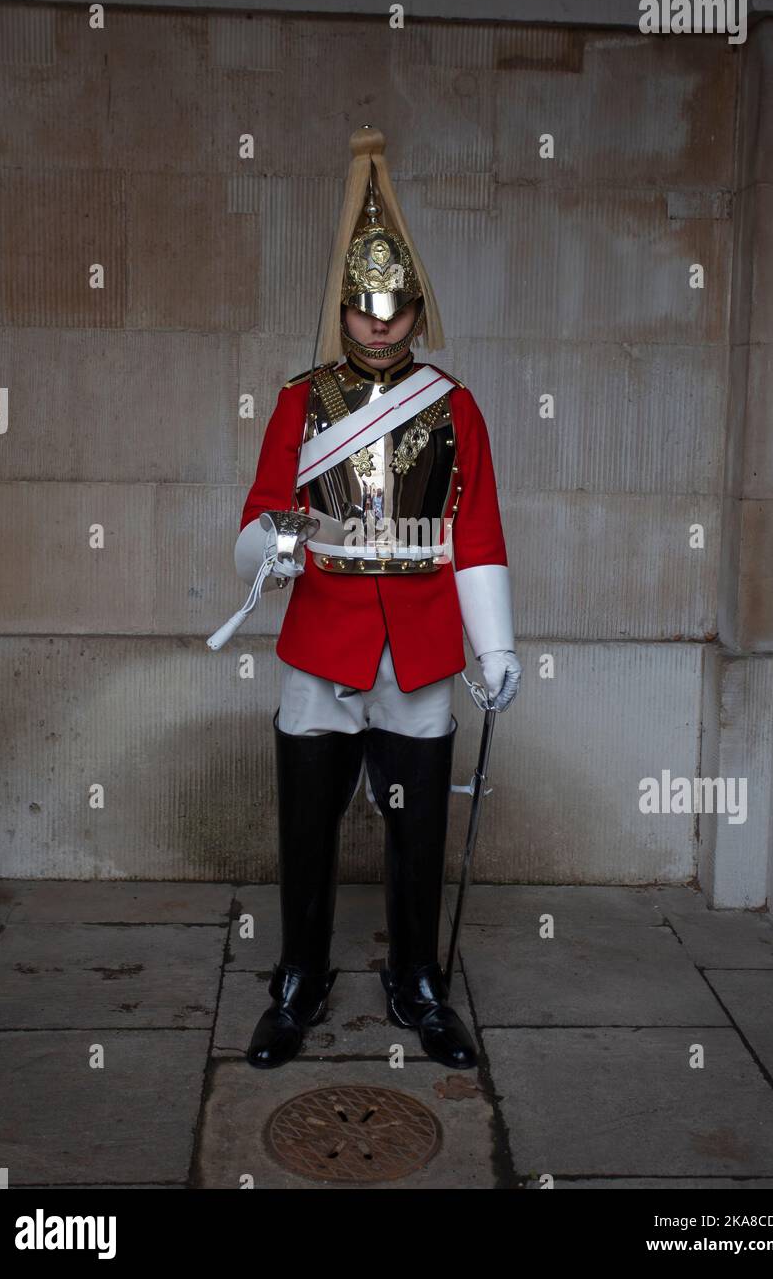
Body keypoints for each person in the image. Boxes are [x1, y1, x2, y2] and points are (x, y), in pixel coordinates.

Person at [235, 126, 522, 1071]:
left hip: (420, 642)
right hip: (324, 638)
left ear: (417, 307)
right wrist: (269, 549)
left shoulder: (455, 405)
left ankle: (417, 979)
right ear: (346, 307)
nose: (382, 326)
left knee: (418, 833)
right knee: (307, 827)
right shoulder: (299, 399)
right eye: (366, 309)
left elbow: (474, 533)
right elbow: (259, 514)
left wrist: (497, 647)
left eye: (398, 309)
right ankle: (299, 976)